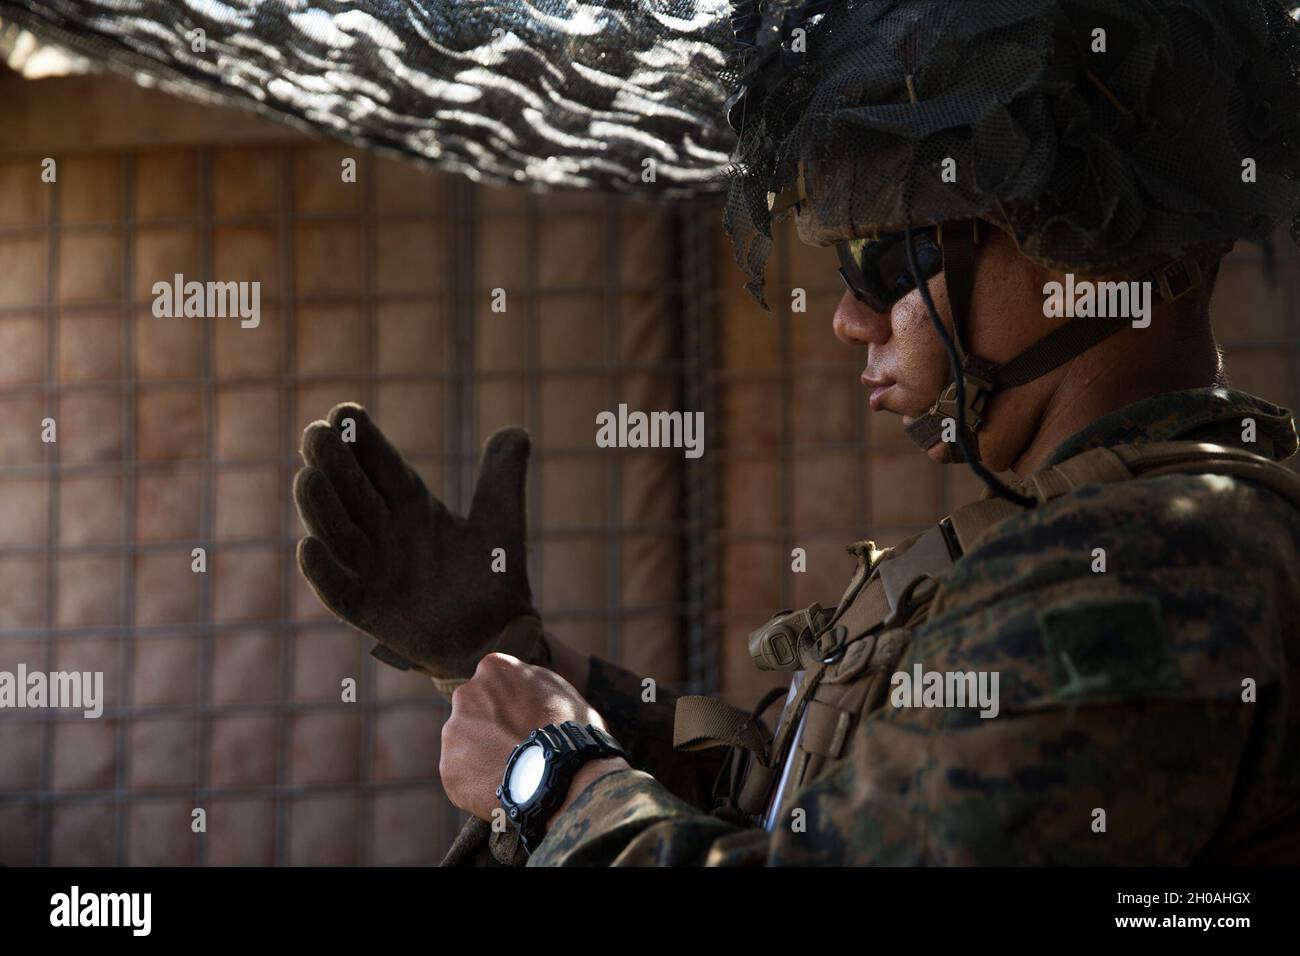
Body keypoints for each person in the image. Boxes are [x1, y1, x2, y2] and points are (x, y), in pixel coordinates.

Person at [292, 0, 1300, 865]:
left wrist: (546, 776)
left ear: (1075, 250)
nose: (848, 317)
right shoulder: (1092, 536)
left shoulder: (1145, 565)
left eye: (884, 256)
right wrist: (509, 657)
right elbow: (791, 796)